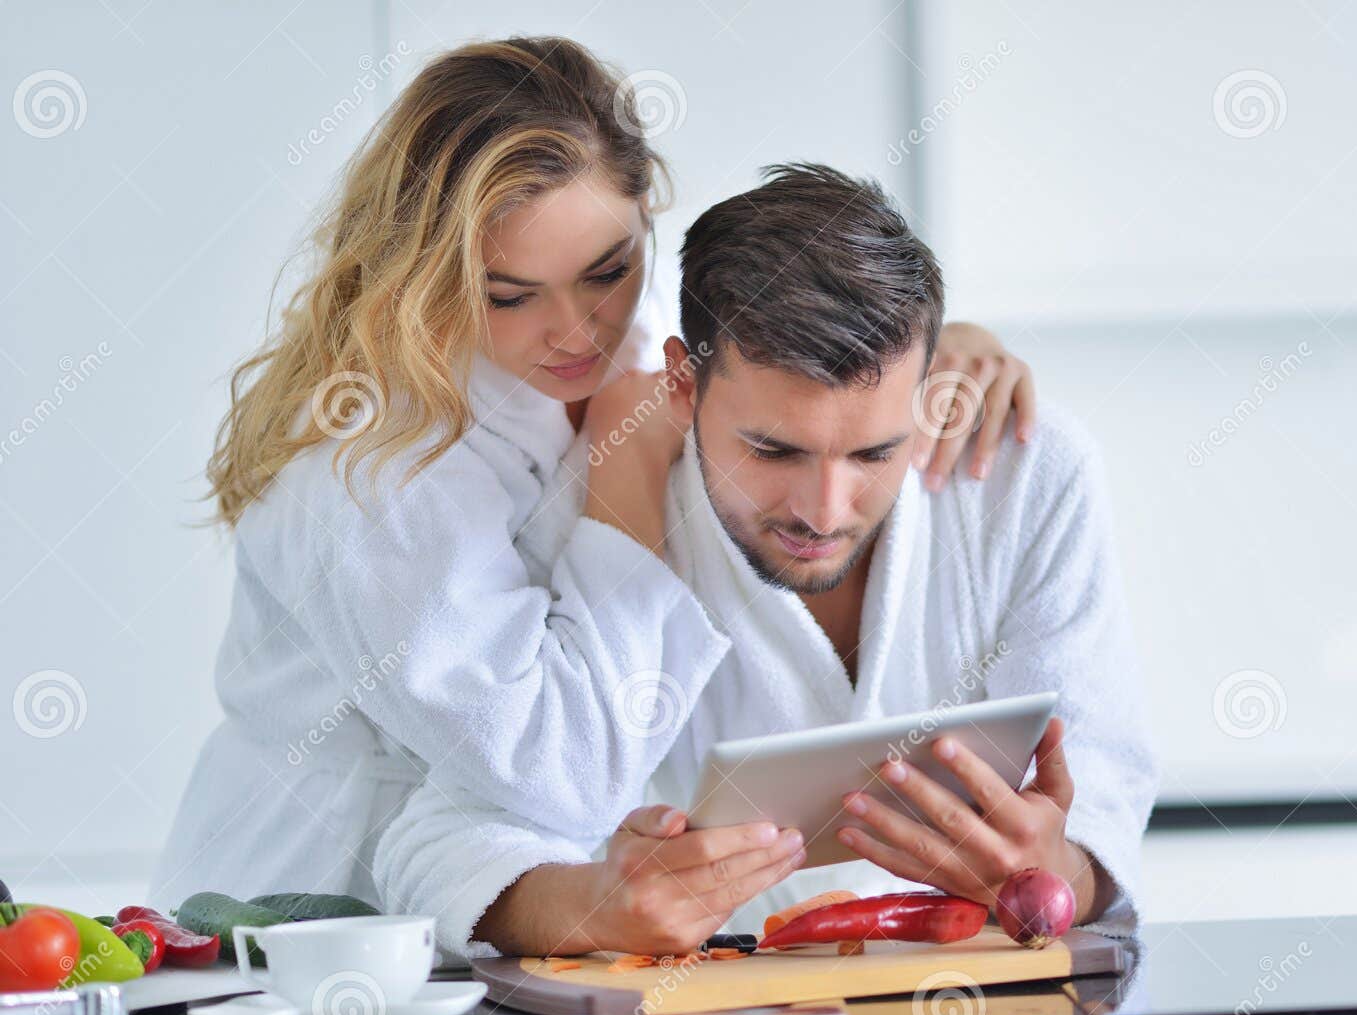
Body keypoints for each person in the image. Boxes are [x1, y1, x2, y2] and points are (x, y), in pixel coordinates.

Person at [152, 37, 1040, 909]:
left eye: (606, 273)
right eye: (508, 295)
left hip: (529, 897)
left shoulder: (633, 326)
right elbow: (557, 774)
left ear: (642, 214)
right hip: (321, 905)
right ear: (420, 270)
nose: (577, 331)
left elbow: (783, 354)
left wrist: (933, 352)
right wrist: (623, 490)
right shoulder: (370, 470)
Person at [375, 164, 1158, 961]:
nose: (824, 510)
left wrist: (1057, 867)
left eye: (875, 452)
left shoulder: (1030, 477)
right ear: (683, 384)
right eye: (772, 450)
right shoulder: (598, 503)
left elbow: (1104, 799)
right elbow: (433, 840)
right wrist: (587, 906)